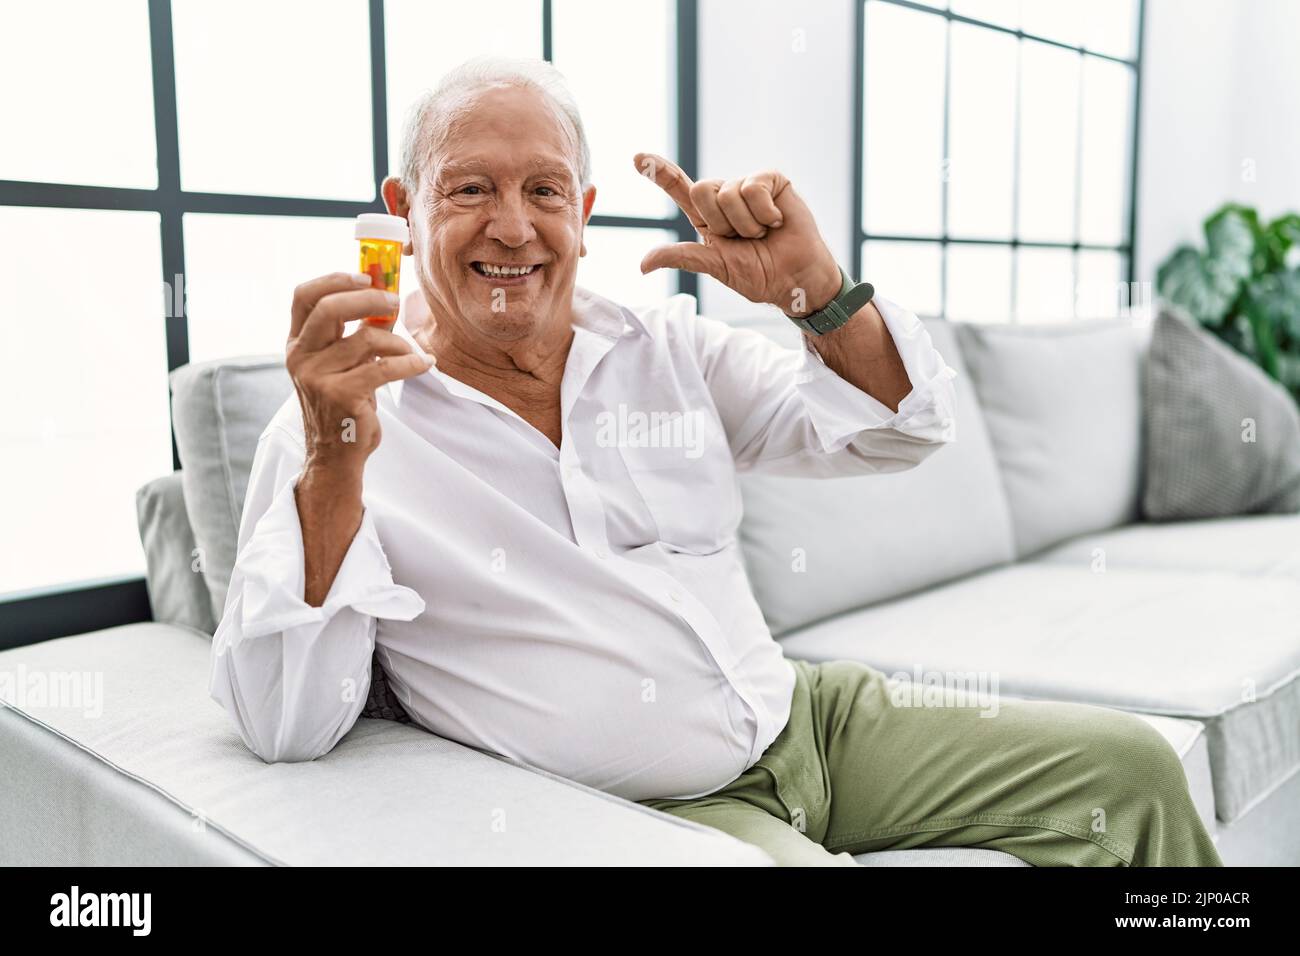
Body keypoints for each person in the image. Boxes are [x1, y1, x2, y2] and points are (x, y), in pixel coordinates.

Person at [209, 56, 1221, 867]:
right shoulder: (335, 418)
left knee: (1128, 768)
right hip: (653, 808)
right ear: (403, 205)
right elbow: (288, 721)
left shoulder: (666, 348)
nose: (511, 225)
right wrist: (336, 464)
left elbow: (896, 429)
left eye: (543, 190)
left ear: (585, 210)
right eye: (469, 188)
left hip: (810, 720)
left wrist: (813, 290)